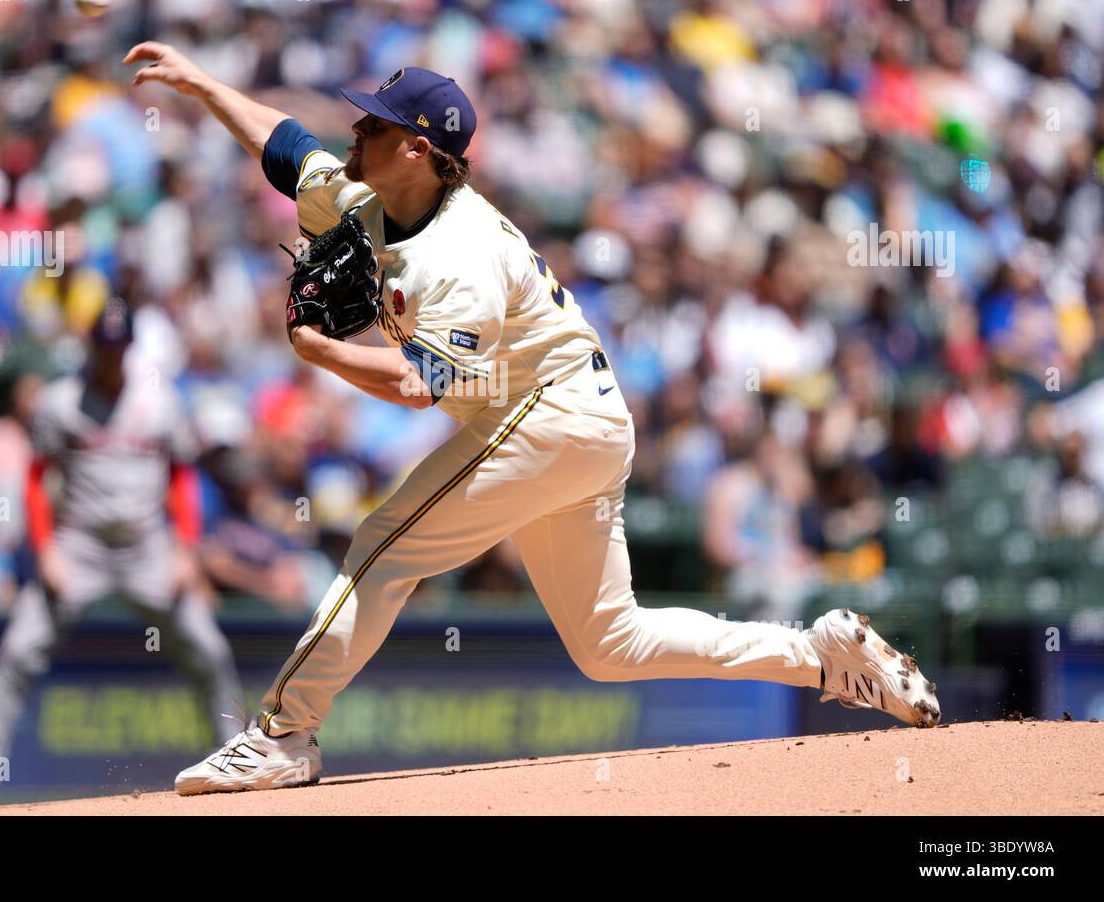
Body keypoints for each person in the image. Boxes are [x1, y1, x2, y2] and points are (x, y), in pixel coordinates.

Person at [124, 42, 941, 795]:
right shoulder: (365, 192)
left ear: (415, 146)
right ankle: (820, 659)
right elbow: (286, 145)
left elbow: (419, 389)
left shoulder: (460, 255)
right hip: (568, 417)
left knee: (382, 547)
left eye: (373, 120)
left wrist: (321, 352)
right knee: (609, 643)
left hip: (551, 413)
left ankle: (282, 735)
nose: (355, 126)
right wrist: (199, 83)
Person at [0, 299, 243, 808]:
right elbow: (37, 479)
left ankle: (234, 753)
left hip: (147, 544)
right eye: (103, 347)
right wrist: (45, 550)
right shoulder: (62, 402)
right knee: (20, 648)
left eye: (119, 347)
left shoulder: (159, 401)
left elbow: (180, 475)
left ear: (129, 348)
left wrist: (186, 549)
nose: (110, 356)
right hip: (79, 544)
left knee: (206, 646)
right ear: (91, 346)